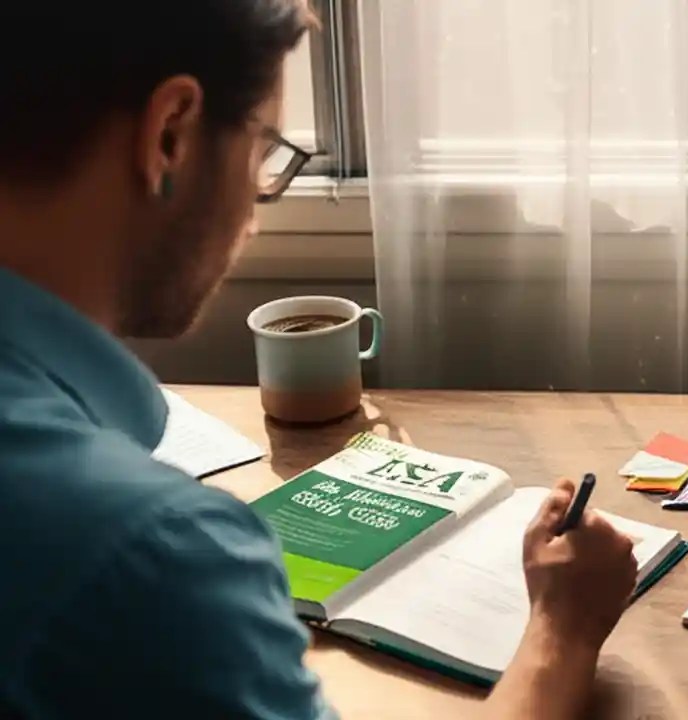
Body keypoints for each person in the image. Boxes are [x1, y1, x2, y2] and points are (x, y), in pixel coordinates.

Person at [0, 3, 638, 718]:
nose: (255, 208)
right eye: (263, 151)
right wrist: (563, 629)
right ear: (171, 134)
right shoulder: (152, 556)